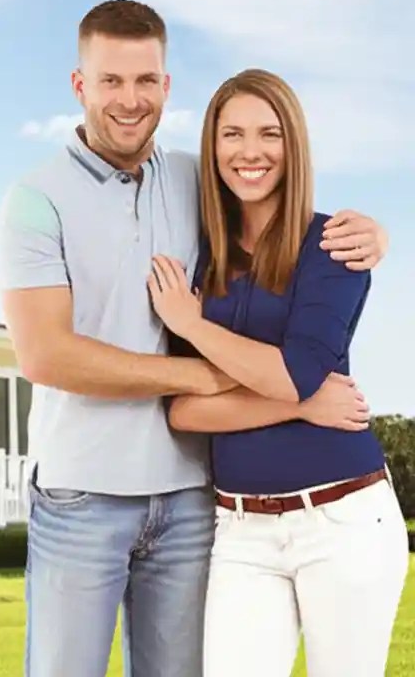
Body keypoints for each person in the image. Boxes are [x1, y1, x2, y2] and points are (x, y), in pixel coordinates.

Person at [0, 0, 390, 677]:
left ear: (167, 86)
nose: (129, 99)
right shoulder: (35, 199)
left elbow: (274, 200)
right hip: (81, 496)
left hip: (191, 498)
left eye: (145, 80)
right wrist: (212, 373)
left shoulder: (193, 181)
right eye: (111, 80)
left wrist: (373, 235)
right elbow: (45, 354)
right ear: (80, 85)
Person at [148, 67, 407, 677]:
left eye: (270, 134)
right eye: (232, 134)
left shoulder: (334, 246)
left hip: (342, 521)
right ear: (212, 146)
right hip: (240, 531)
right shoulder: (203, 259)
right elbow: (184, 409)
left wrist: (194, 328)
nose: (251, 152)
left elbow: (296, 373)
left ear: (294, 145)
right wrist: (302, 404)